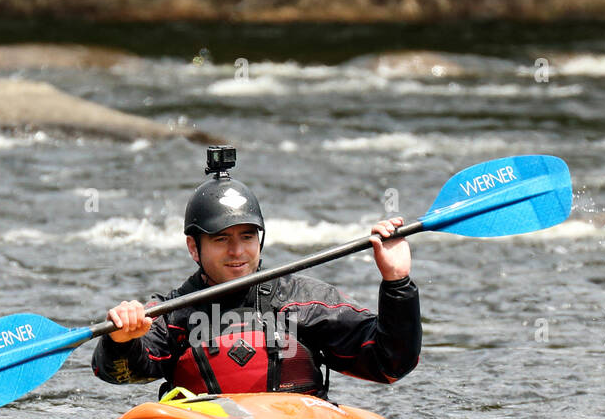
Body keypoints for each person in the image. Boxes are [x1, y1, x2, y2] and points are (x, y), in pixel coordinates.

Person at [92, 147, 421, 398]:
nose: (238, 251)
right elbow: (119, 373)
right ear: (194, 247)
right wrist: (120, 339)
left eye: (247, 237)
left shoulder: (306, 303)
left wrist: (396, 283)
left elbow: (390, 362)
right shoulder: (172, 316)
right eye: (222, 239)